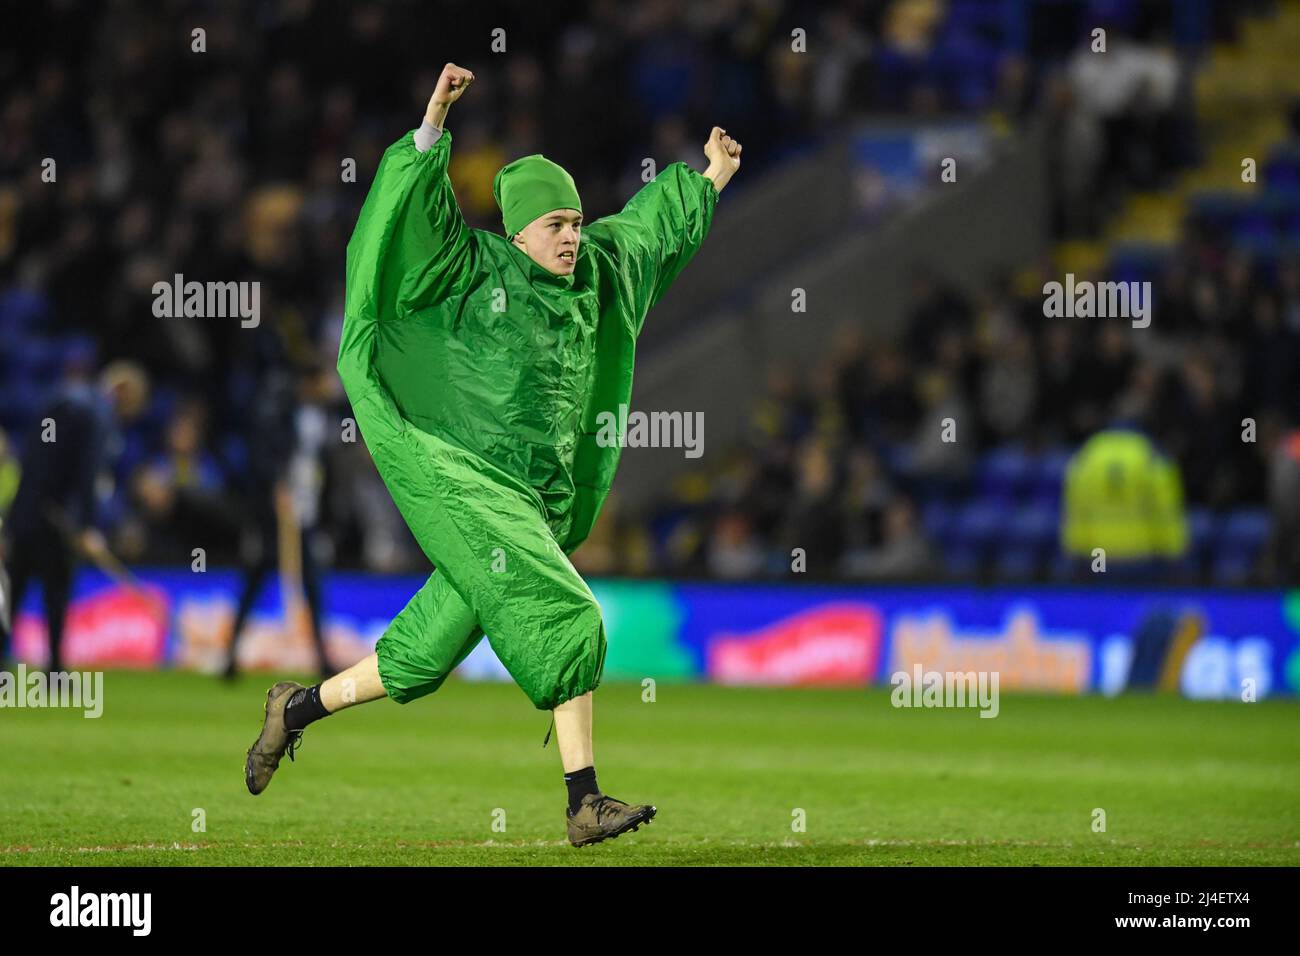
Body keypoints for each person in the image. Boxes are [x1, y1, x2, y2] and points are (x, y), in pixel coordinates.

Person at [244, 63, 742, 847]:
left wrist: (708, 177)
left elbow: (649, 229)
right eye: (557, 225)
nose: (573, 235)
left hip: (531, 505)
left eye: (577, 220)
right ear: (517, 232)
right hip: (464, 479)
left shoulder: (600, 272)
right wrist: (432, 123)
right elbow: (409, 222)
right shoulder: (472, 270)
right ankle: (584, 800)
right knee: (569, 613)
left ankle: (294, 708)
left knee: (424, 656)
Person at [0, 361, 149, 670]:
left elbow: (34, 459)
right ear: (122, 390)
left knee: (13, 589)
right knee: (55, 594)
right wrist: (90, 526)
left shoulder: (61, 399)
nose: (128, 413)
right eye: (132, 403)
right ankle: (54, 670)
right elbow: (88, 475)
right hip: (57, 521)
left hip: (27, 510)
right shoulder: (96, 413)